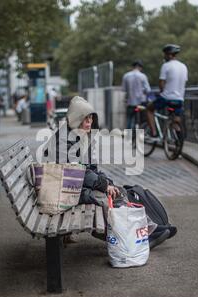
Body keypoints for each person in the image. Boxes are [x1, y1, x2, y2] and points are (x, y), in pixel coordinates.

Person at [49, 96, 170, 248]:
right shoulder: (65, 140)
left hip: (75, 185)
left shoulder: (81, 136)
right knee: (107, 199)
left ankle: (148, 228)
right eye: (85, 119)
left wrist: (106, 182)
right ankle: (134, 237)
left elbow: (91, 169)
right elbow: (77, 172)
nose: (89, 123)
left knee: (119, 191)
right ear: (75, 119)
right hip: (65, 190)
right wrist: (104, 186)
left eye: (91, 118)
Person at [147, 44, 188, 139]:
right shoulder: (183, 66)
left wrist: (161, 92)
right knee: (175, 121)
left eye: (165, 54)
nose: (164, 57)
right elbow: (183, 82)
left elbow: (161, 83)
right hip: (179, 99)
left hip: (166, 98)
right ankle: (179, 143)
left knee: (149, 109)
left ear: (169, 54)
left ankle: (153, 133)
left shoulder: (166, 66)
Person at [122, 60, 151, 130]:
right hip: (141, 102)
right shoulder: (143, 76)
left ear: (133, 67)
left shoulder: (126, 76)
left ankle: (128, 138)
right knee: (141, 121)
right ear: (140, 67)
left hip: (130, 102)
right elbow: (148, 90)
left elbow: (124, 89)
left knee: (129, 119)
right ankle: (139, 138)